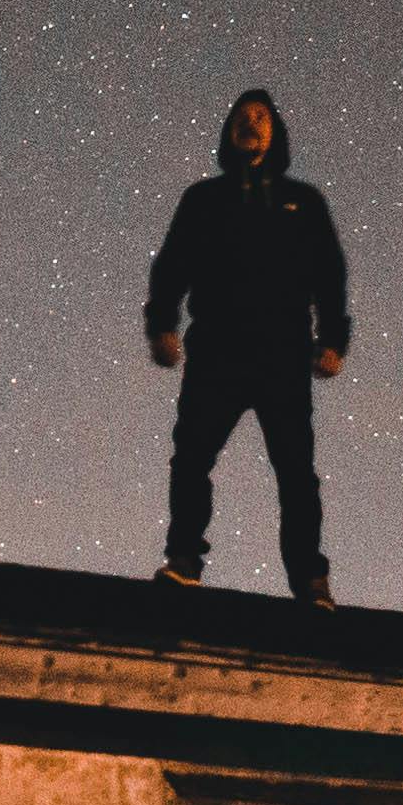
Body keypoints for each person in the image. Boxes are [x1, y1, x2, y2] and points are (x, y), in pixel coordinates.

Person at [143, 86, 351, 604]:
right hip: (217, 348)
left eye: (261, 116)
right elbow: (172, 264)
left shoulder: (303, 202)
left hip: (283, 352)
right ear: (228, 130)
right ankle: (184, 559)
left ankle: (309, 579)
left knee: (296, 470)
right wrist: (162, 324)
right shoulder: (203, 200)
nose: (250, 123)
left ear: (275, 132)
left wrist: (333, 338)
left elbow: (329, 273)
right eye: (242, 116)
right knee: (192, 456)